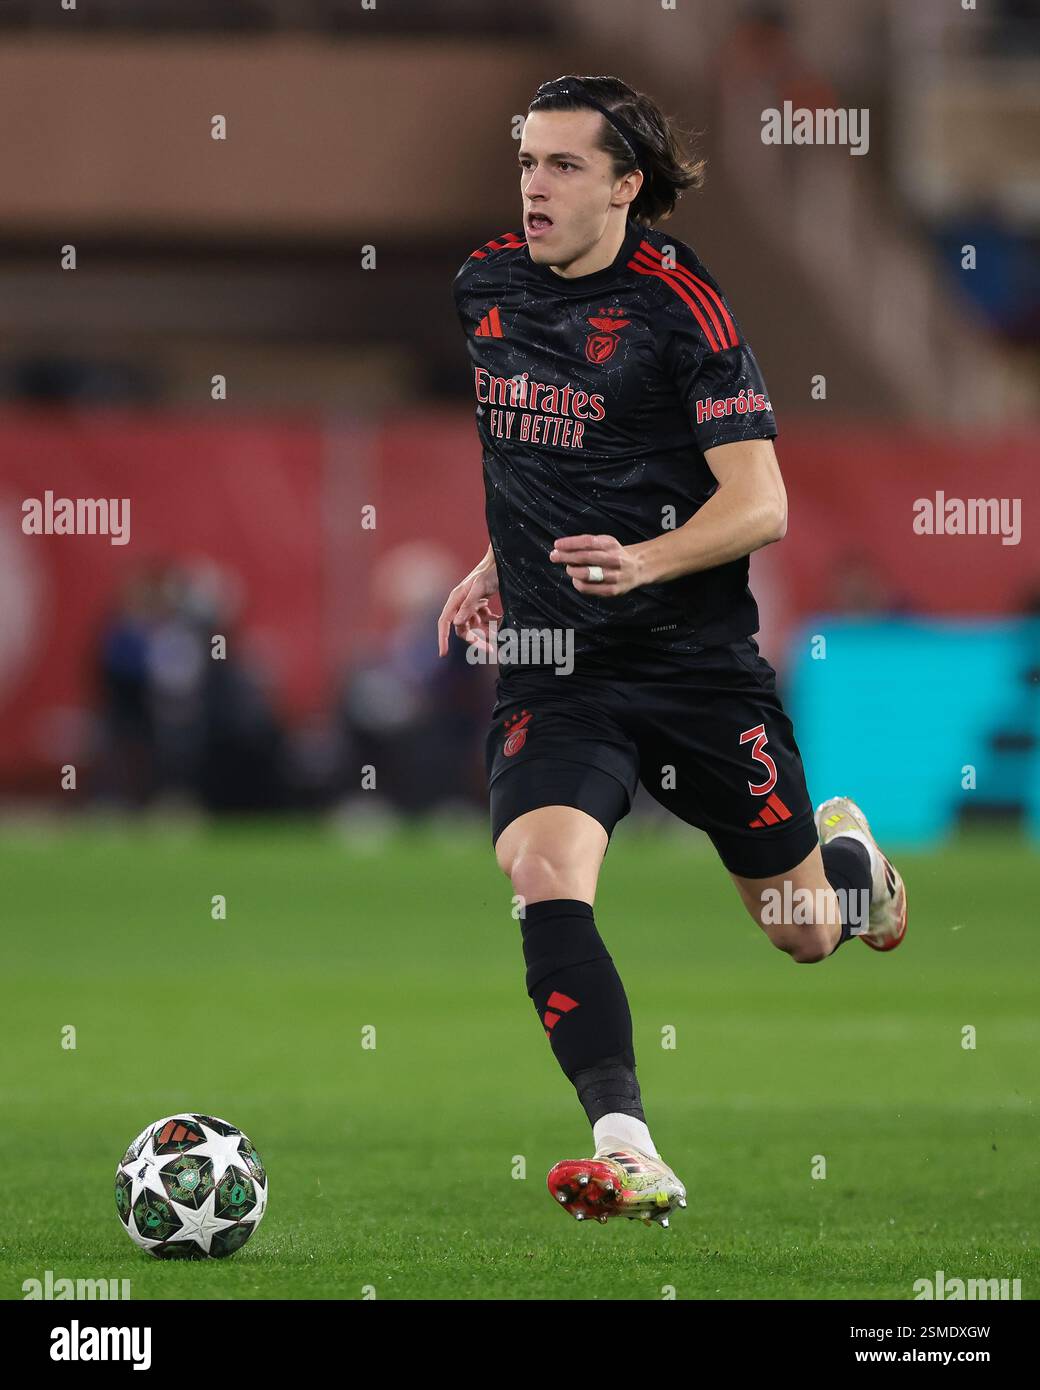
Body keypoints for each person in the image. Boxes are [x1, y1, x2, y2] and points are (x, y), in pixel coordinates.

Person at [439, 75, 907, 1230]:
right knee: (541, 870)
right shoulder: (484, 285)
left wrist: (644, 564)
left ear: (624, 184)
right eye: (526, 163)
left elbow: (761, 504)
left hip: (693, 664)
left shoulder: (682, 308)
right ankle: (626, 1145)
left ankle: (850, 868)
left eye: (562, 167)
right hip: (559, 665)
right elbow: (526, 452)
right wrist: (499, 562)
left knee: (800, 934)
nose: (532, 188)